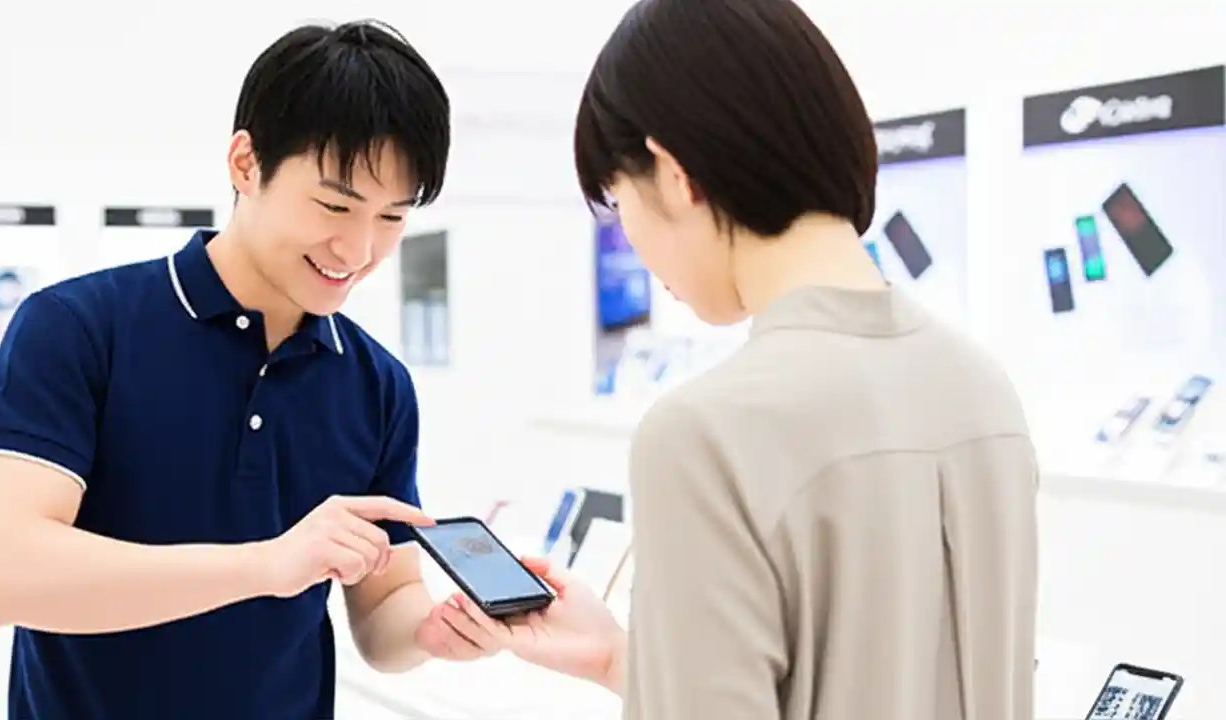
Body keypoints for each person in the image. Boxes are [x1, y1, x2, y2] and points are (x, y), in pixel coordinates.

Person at [421, 1, 1040, 718]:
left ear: (674, 174)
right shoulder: (984, 391)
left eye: (621, 207)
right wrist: (625, 658)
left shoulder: (705, 433)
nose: (641, 253)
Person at [0, 20, 490, 720]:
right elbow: (3, 576)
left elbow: (385, 606)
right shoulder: (77, 328)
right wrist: (266, 565)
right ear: (245, 163)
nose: (359, 248)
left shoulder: (377, 384)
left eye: (392, 216)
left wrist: (432, 632)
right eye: (334, 205)